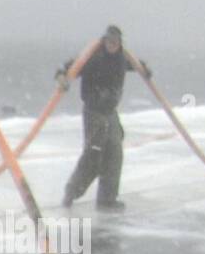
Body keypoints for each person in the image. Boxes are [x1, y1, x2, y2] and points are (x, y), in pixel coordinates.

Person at [59, 24, 149, 211]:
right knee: (94, 154)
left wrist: (146, 70)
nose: (112, 45)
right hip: (94, 111)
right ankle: (72, 192)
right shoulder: (93, 57)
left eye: (115, 42)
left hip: (111, 112)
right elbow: (69, 68)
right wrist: (62, 76)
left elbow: (139, 66)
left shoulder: (122, 58)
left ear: (119, 43)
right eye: (109, 41)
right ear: (104, 40)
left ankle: (107, 200)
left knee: (114, 154)